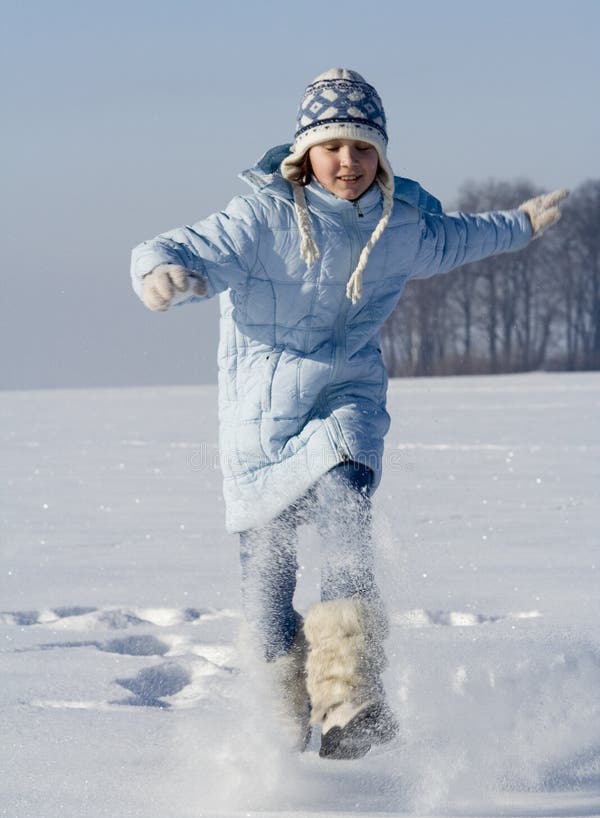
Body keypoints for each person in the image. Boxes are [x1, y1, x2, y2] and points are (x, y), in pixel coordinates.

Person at [130, 68, 567, 760]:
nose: (348, 163)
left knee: (345, 513)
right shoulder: (262, 217)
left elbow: (462, 238)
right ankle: (283, 722)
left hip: (347, 401)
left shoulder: (400, 227)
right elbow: (181, 247)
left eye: (363, 149)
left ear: (382, 157)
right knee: (269, 597)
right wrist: (160, 274)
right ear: (305, 154)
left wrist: (519, 225)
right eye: (333, 147)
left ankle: (348, 696)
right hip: (261, 423)